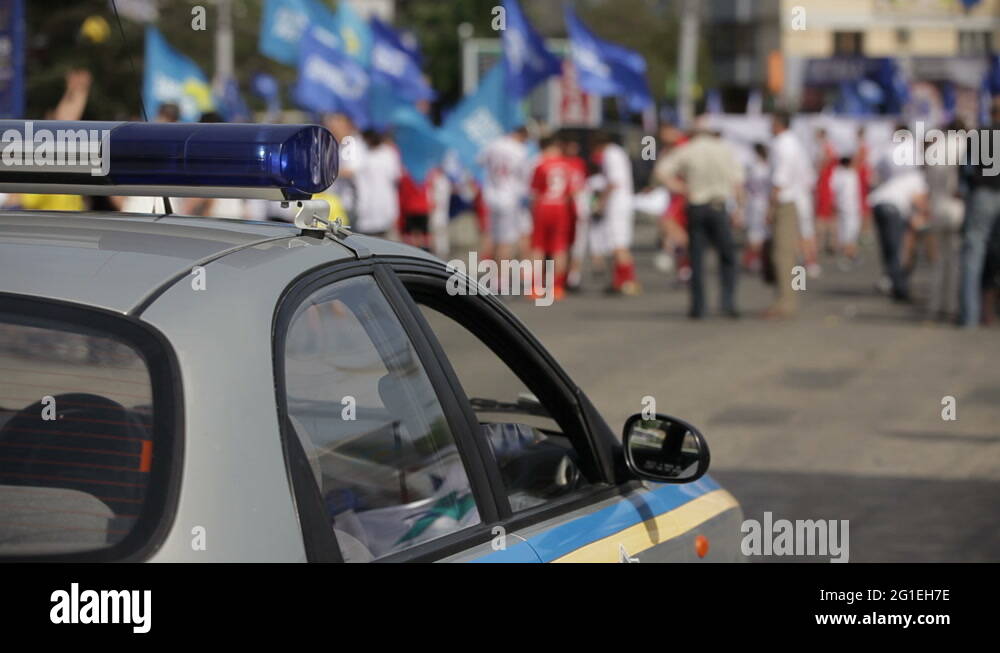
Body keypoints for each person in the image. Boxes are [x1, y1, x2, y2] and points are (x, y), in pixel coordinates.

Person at [656, 117, 744, 319]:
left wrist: (682, 188)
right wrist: (739, 209)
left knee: (696, 258)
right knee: (727, 256)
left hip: (696, 206)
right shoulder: (724, 151)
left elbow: (661, 171)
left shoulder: (688, 150)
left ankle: (699, 306)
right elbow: (738, 183)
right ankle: (728, 302)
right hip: (718, 206)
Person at [764, 109, 814, 319]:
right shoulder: (794, 143)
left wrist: (771, 206)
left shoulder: (783, 144)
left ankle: (786, 301)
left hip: (787, 201)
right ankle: (787, 298)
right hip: (796, 199)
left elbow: (780, 179)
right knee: (789, 253)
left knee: (783, 255)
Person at [959, 98, 1000, 327]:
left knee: (973, 254)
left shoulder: (981, 134)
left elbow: (966, 168)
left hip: (983, 194)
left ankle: (969, 316)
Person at [529, 136, 579, 301]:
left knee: (538, 247)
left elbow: (535, 193)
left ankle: (536, 286)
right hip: (561, 208)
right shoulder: (567, 166)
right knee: (559, 248)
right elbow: (574, 191)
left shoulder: (540, 166)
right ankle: (557, 286)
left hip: (544, 206)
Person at [868, 167, 929, 302]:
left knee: (888, 248)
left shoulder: (905, 176)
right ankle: (900, 289)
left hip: (877, 204)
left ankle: (890, 280)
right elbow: (919, 202)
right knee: (896, 249)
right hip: (893, 208)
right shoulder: (919, 179)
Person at [591, 132, 639, 295]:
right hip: (622, 202)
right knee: (620, 244)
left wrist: (600, 203)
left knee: (617, 245)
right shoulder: (617, 152)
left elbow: (613, 182)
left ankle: (626, 281)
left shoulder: (610, 154)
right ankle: (620, 280)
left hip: (617, 204)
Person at [478, 126, 531, 262]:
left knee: (492, 235)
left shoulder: (493, 144)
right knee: (505, 241)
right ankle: (500, 277)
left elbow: (479, 162)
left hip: (490, 196)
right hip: (509, 198)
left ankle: (487, 269)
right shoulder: (520, 150)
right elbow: (525, 176)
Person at [355, 130, 402, 237]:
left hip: (384, 207)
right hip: (366, 207)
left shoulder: (388, 153)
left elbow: (396, 177)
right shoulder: (361, 153)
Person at [831, 153, 862, 266]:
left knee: (847, 231)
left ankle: (850, 254)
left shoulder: (839, 174)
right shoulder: (847, 174)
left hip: (845, 206)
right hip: (848, 207)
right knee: (849, 231)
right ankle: (849, 254)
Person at [743, 143, 770, 272]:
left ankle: (753, 259)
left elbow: (746, 186)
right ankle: (758, 259)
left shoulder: (754, 168)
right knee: (763, 232)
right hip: (764, 202)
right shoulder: (768, 168)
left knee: (755, 233)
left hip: (755, 202)